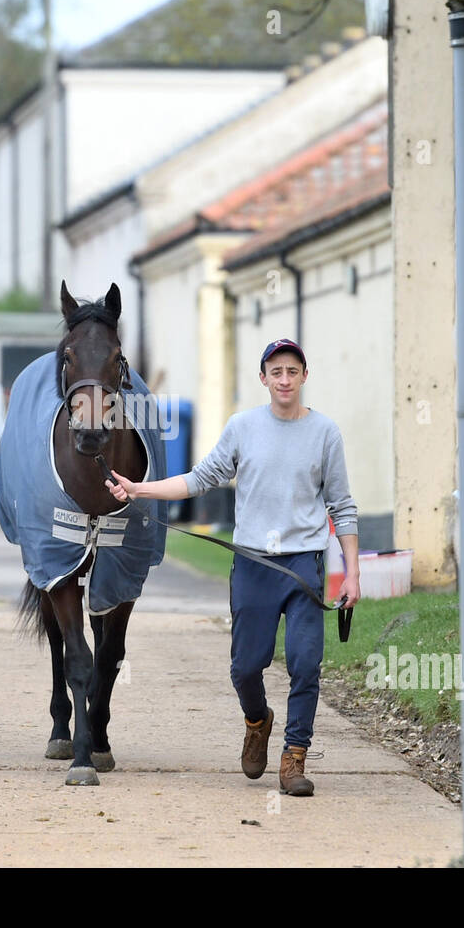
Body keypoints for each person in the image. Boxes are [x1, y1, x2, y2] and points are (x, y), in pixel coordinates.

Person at [105, 337, 360, 797]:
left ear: (305, 376)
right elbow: (200, 479)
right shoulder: (242, 428)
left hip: (303, 566)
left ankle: (294, 758)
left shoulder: (326, 433)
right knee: (245, 667)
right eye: (276, 371)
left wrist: (353, 574)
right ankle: (257, 720)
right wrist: (140, 489)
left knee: (306, 664)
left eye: (293, 371)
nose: (285, 379)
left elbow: (342, 507)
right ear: (263, 378)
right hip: (253, 564)